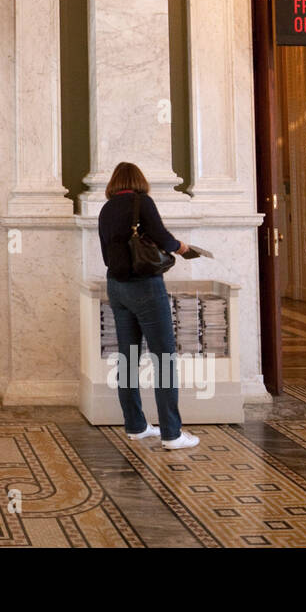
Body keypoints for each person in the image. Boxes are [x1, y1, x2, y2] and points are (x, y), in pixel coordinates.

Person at [98, 161, 197, 451]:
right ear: (139, 180)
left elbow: (108, 250)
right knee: (164, 358)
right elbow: (163, 239)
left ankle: (136, 426)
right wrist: (182, 247)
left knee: (127, 357)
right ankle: (172, 433)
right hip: (145, 286)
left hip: (116, 286)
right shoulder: (142, 202)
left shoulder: (106, 209)